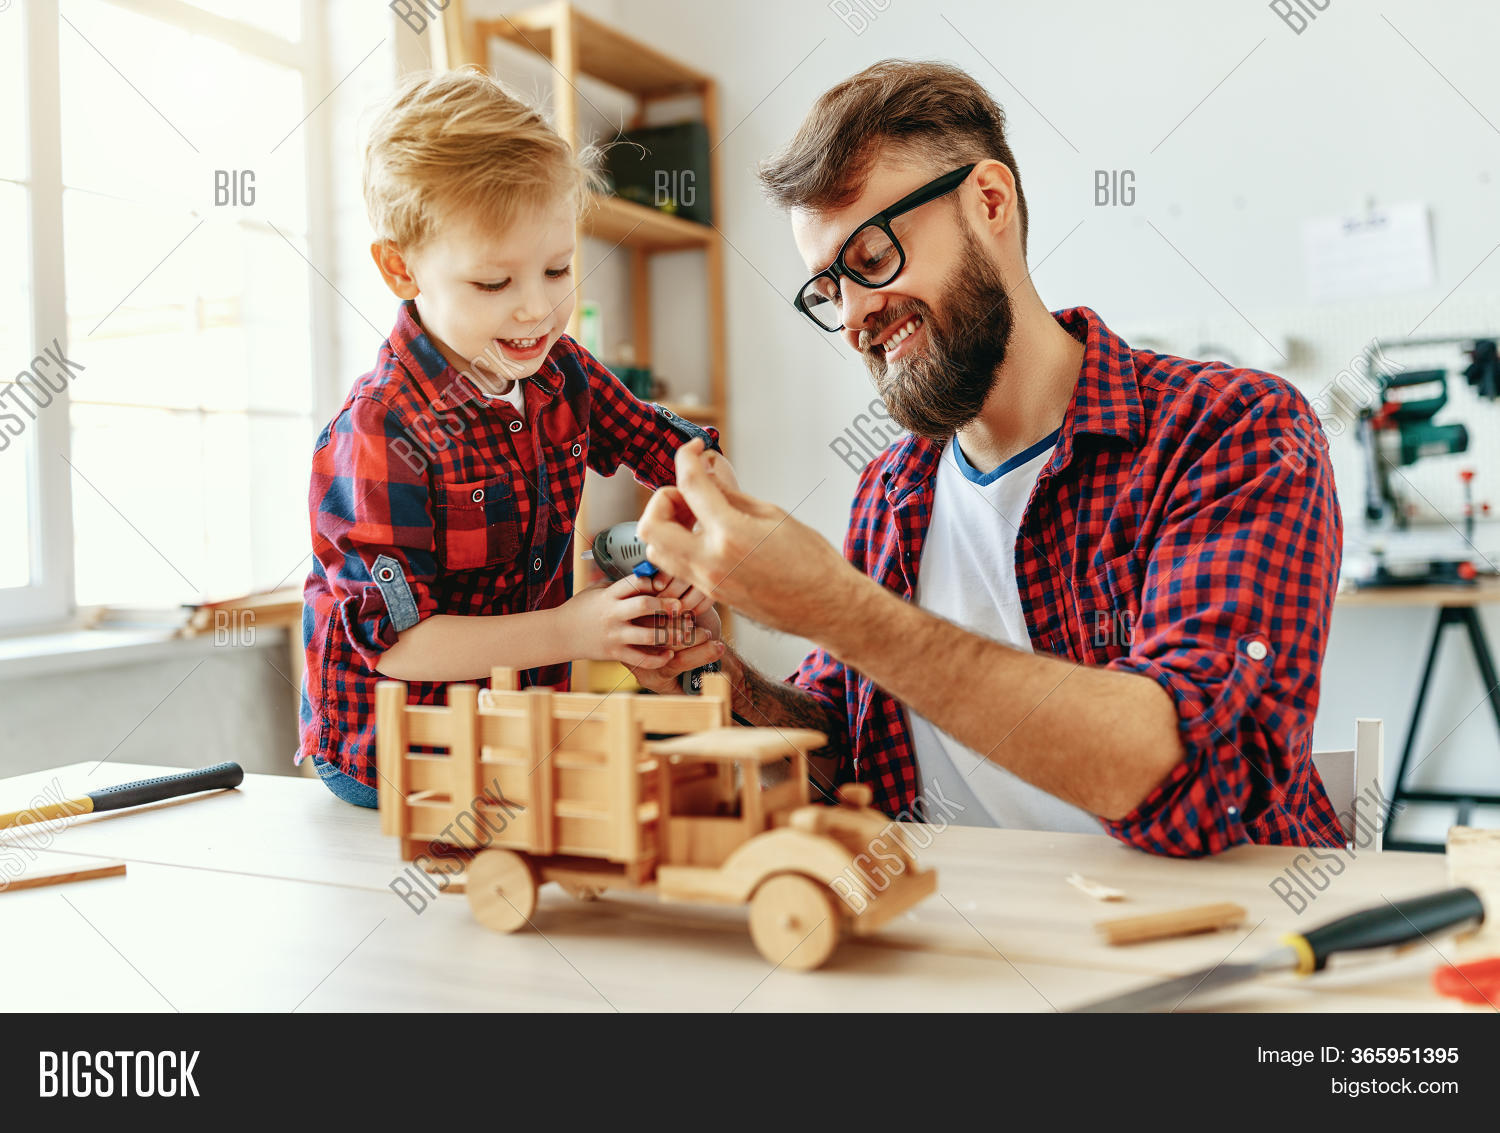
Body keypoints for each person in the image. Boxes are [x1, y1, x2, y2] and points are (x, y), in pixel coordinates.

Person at [633, 60, 1343, 856]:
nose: (858, 313)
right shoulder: (892, 490)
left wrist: (834, 605)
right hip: (968, 947)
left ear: (989, 202)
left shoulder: (1230, 429)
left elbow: (1189, 776)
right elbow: (848, 751)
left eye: (870, 258)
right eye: (829, 290)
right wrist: (715, 678)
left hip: (1214, 950)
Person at [299, 69, 722, 807]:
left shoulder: (562, 371)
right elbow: (402, 643)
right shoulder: (378, 430)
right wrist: (571, 630)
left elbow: (681, 453)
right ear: (401, 267)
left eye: (558, 268)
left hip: (512, 725)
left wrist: (686, 536)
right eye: (493, 284)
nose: (537, 307)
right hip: (387, 750)